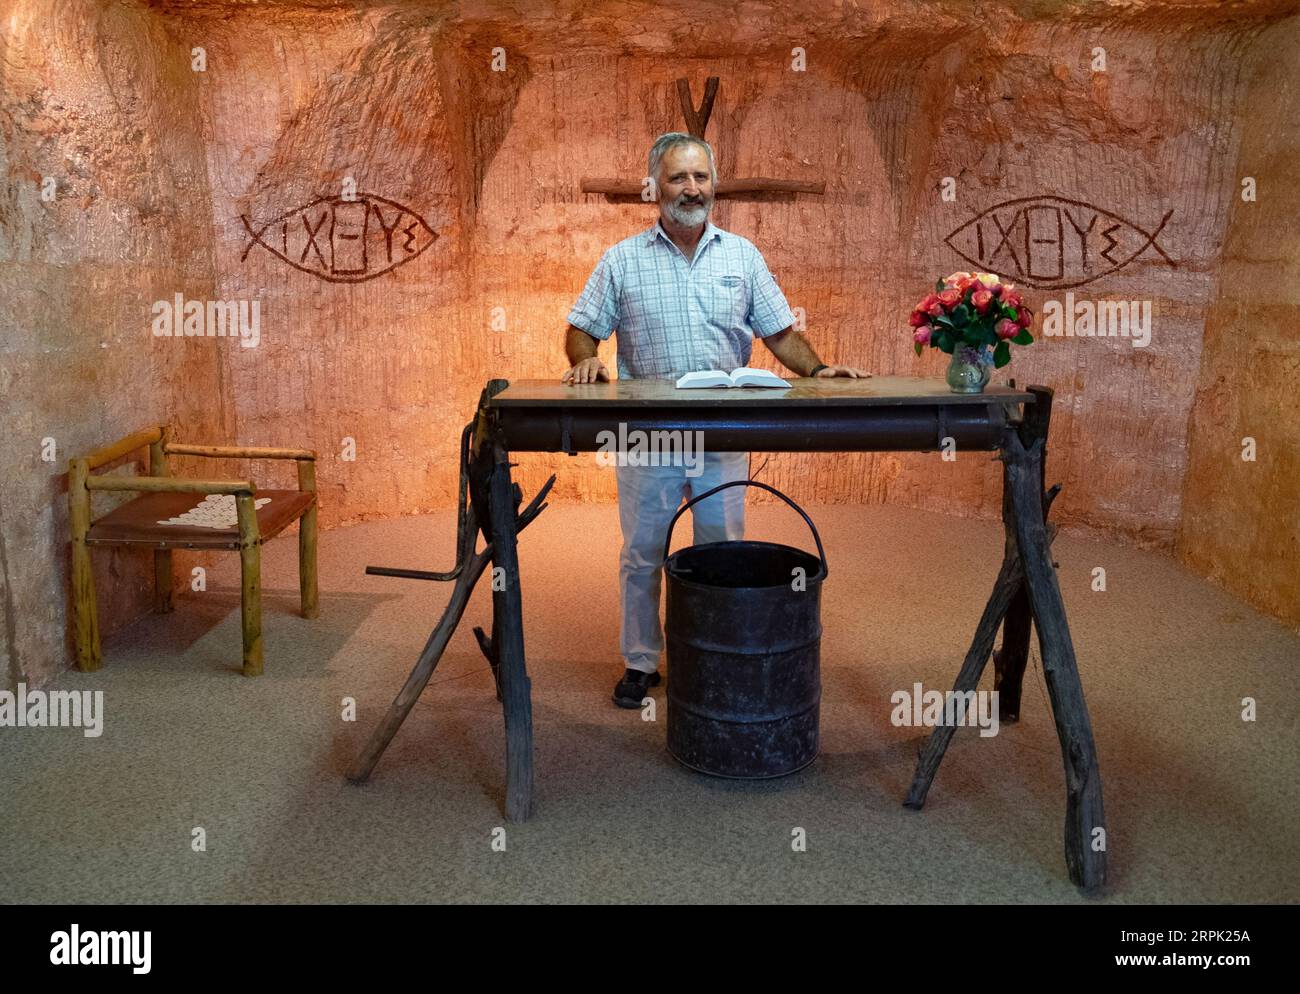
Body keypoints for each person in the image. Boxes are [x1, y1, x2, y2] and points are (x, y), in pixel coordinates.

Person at [562, 131, 870, 708]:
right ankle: (641, 662)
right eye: (679, 178)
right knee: (642, 552)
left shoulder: (742, 257)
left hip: (725, 430)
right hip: (646, 433)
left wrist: (818, 368)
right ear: (655, 187)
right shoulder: (621, 260)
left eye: (701, 177)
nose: (692, 188)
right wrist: (588, 362)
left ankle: (713, 649)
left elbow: (779, 331)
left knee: (721, 547)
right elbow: (581, 329)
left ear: (714, 185)